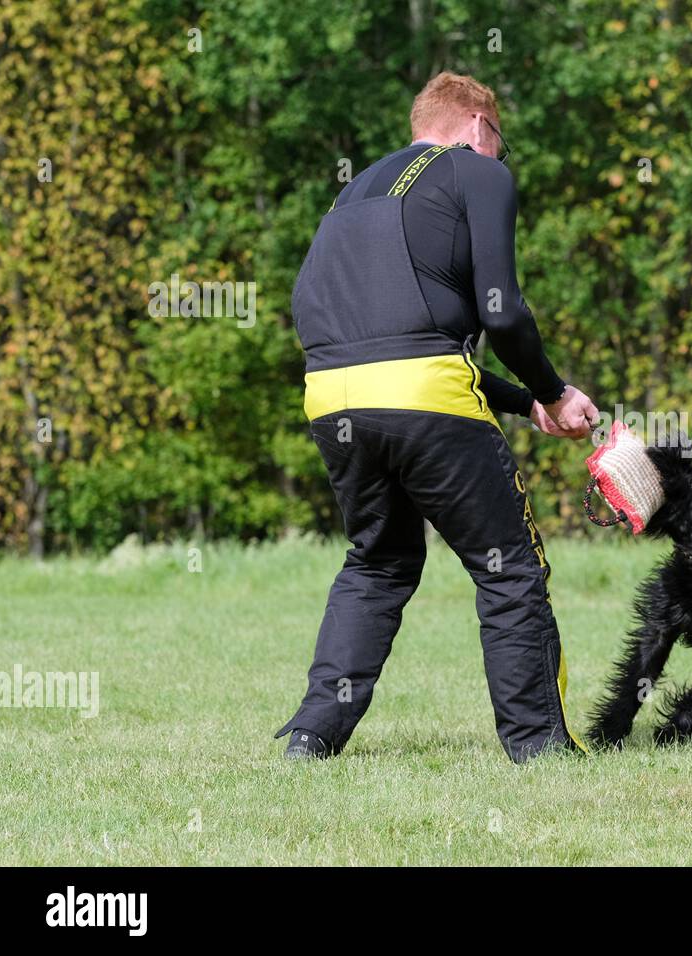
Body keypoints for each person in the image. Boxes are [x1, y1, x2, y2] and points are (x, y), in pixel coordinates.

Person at [274, 72, 599, 763]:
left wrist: (527, 401)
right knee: (509, 566)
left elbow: (394, 343)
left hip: (330, 398)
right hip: (425, 396)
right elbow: (501, 311)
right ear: (479, 127)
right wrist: (555, 389)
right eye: (500, 146)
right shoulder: (473, 172)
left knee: (378, 562)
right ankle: (539, 746)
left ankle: (312, 735)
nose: (500, 160)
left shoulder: (352, 194)